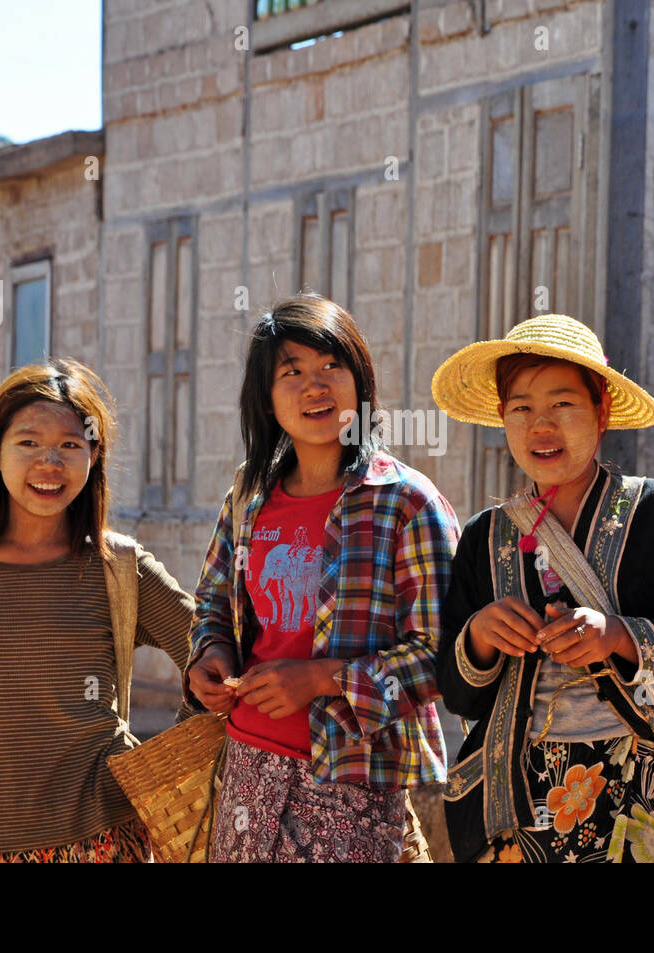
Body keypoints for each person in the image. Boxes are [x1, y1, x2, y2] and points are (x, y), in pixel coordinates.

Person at [431, 315, 654, 863]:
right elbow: (457, 695)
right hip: (515, 800)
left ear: (603, 412)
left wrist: (618, 636)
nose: (540, 426)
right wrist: (480, 636)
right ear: (502, 419)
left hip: (633, 797)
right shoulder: (484, 537)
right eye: (520, 408)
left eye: (562, 405)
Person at [185, 293, 459, 862]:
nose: (315, 386)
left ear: (359, 382)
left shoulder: (404, 503)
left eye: (332, 367)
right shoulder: (249, 495)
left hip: (350, 782)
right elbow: (213, 597)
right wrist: (209, 653)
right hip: (244, 765)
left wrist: (320, 679)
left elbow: (442, 654)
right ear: (266, 398)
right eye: (292, 372)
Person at [0, 358, 195, 862]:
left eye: (70, 445)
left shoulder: (119, 567)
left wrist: (163, 760)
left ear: (93, 455)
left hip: (103, 836)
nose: (49, 463)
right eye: (28, 443)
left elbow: (208, 647)